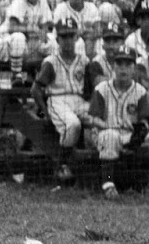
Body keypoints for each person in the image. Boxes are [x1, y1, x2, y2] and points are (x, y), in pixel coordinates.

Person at [83, 53, 149, 198]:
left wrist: (141, 132)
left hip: (129, 134)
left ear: (134, 69)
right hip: (103, 133)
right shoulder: (102, 89)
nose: (123, 69)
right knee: (111, 136)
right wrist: (107, 126)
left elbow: (144, 120)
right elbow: (92, 119)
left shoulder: (140, 91)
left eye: (128, 65)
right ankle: (108, 184)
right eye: (120, 64)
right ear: (113, 67)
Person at [32, 21, 101, 183]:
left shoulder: (84, 60)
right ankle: (62, 165)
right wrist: (45, 111)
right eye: (64, 37)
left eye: (71, 36)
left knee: (99, 120)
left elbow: (91, 88)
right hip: (58, 99)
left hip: (78, 99)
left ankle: (98, 166)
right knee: (73, 125)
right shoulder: (51, 61)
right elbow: (35, 89)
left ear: (76, 38)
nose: (68, 40)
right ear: (57, 40)